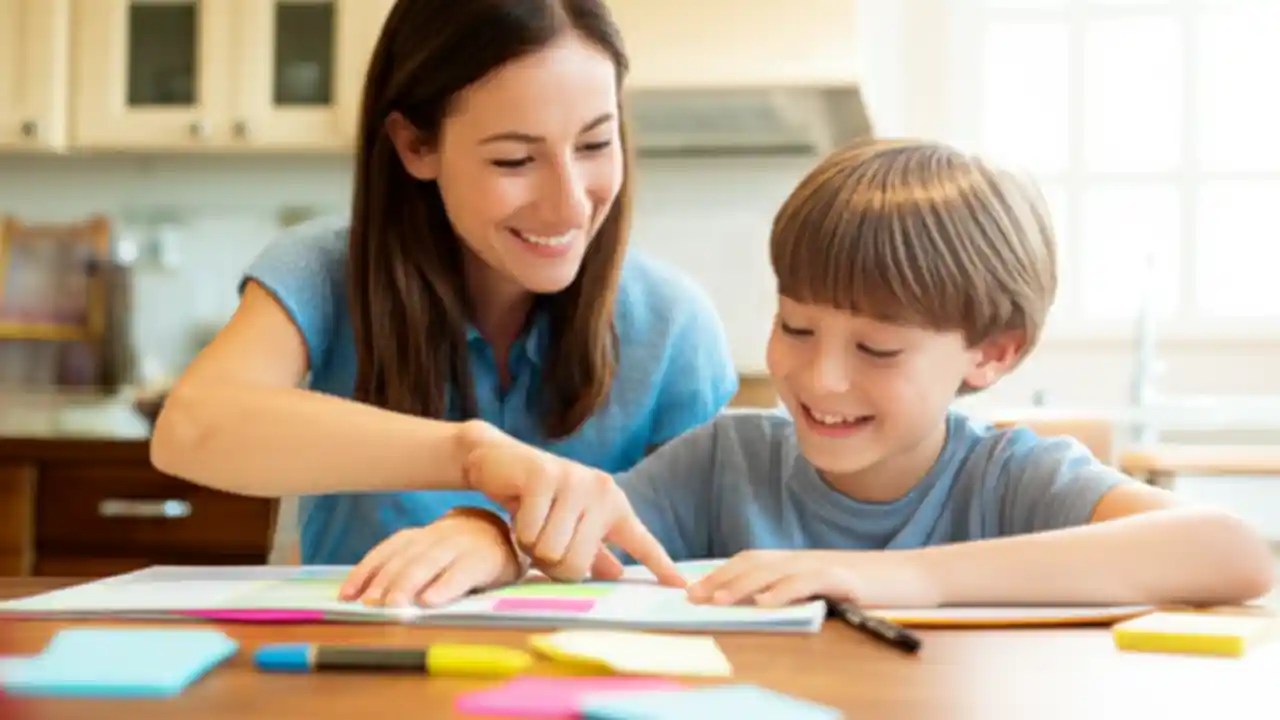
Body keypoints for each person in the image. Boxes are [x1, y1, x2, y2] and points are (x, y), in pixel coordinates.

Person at [347, 138, 1275, 610]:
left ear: (992, 353)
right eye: (796, 327)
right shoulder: (725, 462)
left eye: (877, 350)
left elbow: (1231, 553)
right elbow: (577, 535)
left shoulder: (1011, 478)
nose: (820, 379)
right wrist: (490, 539)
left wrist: (905, 579)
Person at [149, 0, 738, 594]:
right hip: (362, 669)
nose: (570, 204)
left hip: (589, 678)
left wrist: (504, 543)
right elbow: (193, 427)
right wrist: (469, 453)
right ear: (416, 146)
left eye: (594, 145)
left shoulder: (674, 326)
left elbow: (691, 567)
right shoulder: (325, 273)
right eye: (514, 159)